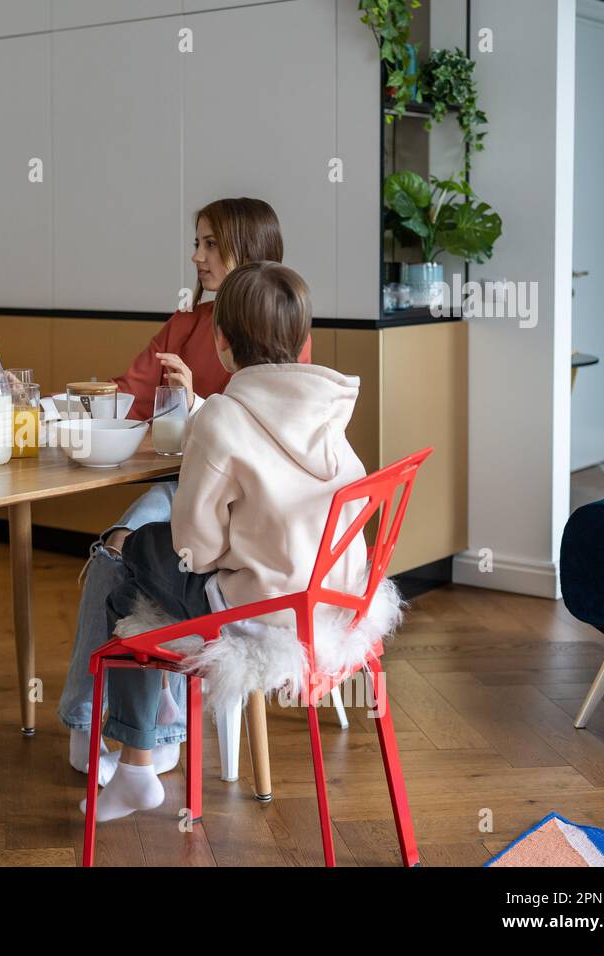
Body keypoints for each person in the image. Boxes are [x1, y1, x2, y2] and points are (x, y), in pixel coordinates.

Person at [82, 261, 370, 820]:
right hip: (332, 601)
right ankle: (155, 737)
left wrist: (144, 543)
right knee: (144, 546)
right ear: (303, 341)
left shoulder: (222, 418)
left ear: (219, 342)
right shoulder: (329, 412)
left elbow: (197, 549)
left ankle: (139, 763)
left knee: (129, 566)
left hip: (257, 612)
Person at [58, 198, 307, 783]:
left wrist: (197, 403)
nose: (197, 257)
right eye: (196, 243)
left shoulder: (279, 330)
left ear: (246, 249)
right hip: (185, 486)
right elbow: (129, 392)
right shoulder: (187, 323)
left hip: (241, 509)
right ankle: (91, 718)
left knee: (142, 557)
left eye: (210, 244)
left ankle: (151, 731)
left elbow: (262, 440)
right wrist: (68, 409)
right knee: (112, 554)